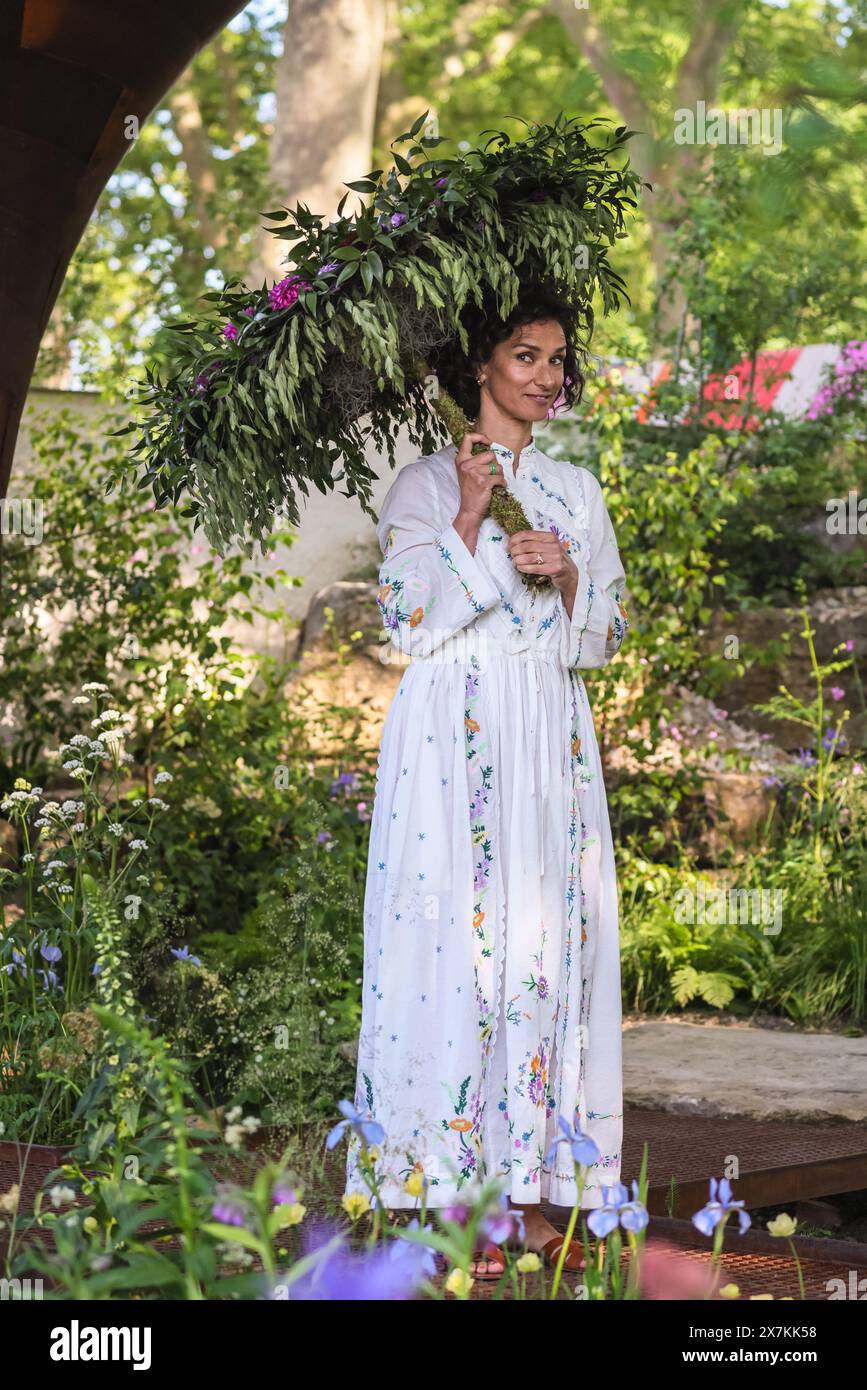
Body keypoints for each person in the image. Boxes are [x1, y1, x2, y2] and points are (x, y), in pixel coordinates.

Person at [343, 285, 630, 1278]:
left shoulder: (578, 492)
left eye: (557, 359)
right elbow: (410, 624)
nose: (549, 376)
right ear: (479, 367)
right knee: (453, 943)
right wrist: (471, 520)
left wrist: (570, 581)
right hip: (451, 737)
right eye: (526, 356)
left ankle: (532, 1190)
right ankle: (442, 1190)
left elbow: (603, 638)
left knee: (545, 945)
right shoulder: (423, 484)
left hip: (547, 731)